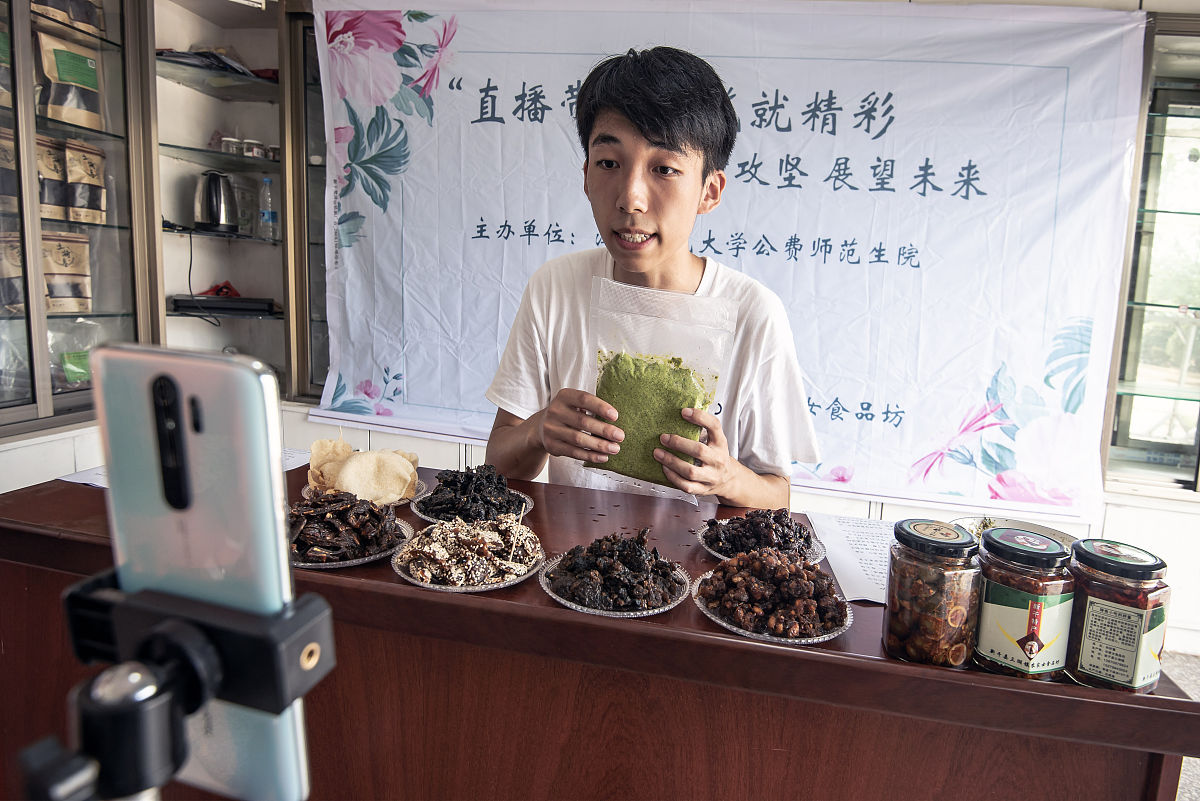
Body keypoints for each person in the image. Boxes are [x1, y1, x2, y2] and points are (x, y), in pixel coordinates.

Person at [484, 46, 818, 507]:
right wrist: (538, 431)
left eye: (664, 169)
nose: (631, 198)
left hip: (697, 570)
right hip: (571, 569)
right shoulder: (555, 287)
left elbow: (777, 494)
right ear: (585, 175)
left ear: (709, 190)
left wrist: (726, 478)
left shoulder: (752, 312)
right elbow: (497, 463)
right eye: (609, 163)